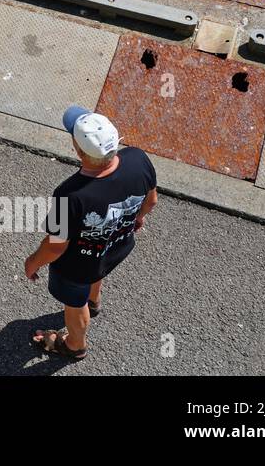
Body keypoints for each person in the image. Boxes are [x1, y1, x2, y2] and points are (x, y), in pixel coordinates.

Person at [24, 106, 159, 360]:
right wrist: (136, 219)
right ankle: (94, 301)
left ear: (78, 151)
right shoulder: (138, 159)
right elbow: (151, 200)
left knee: (75, 304)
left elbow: (56, 246)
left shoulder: (70, 194)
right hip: (117, 246)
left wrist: (32, 263)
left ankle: (74, 345)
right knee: (98, 267)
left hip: (77, 266)